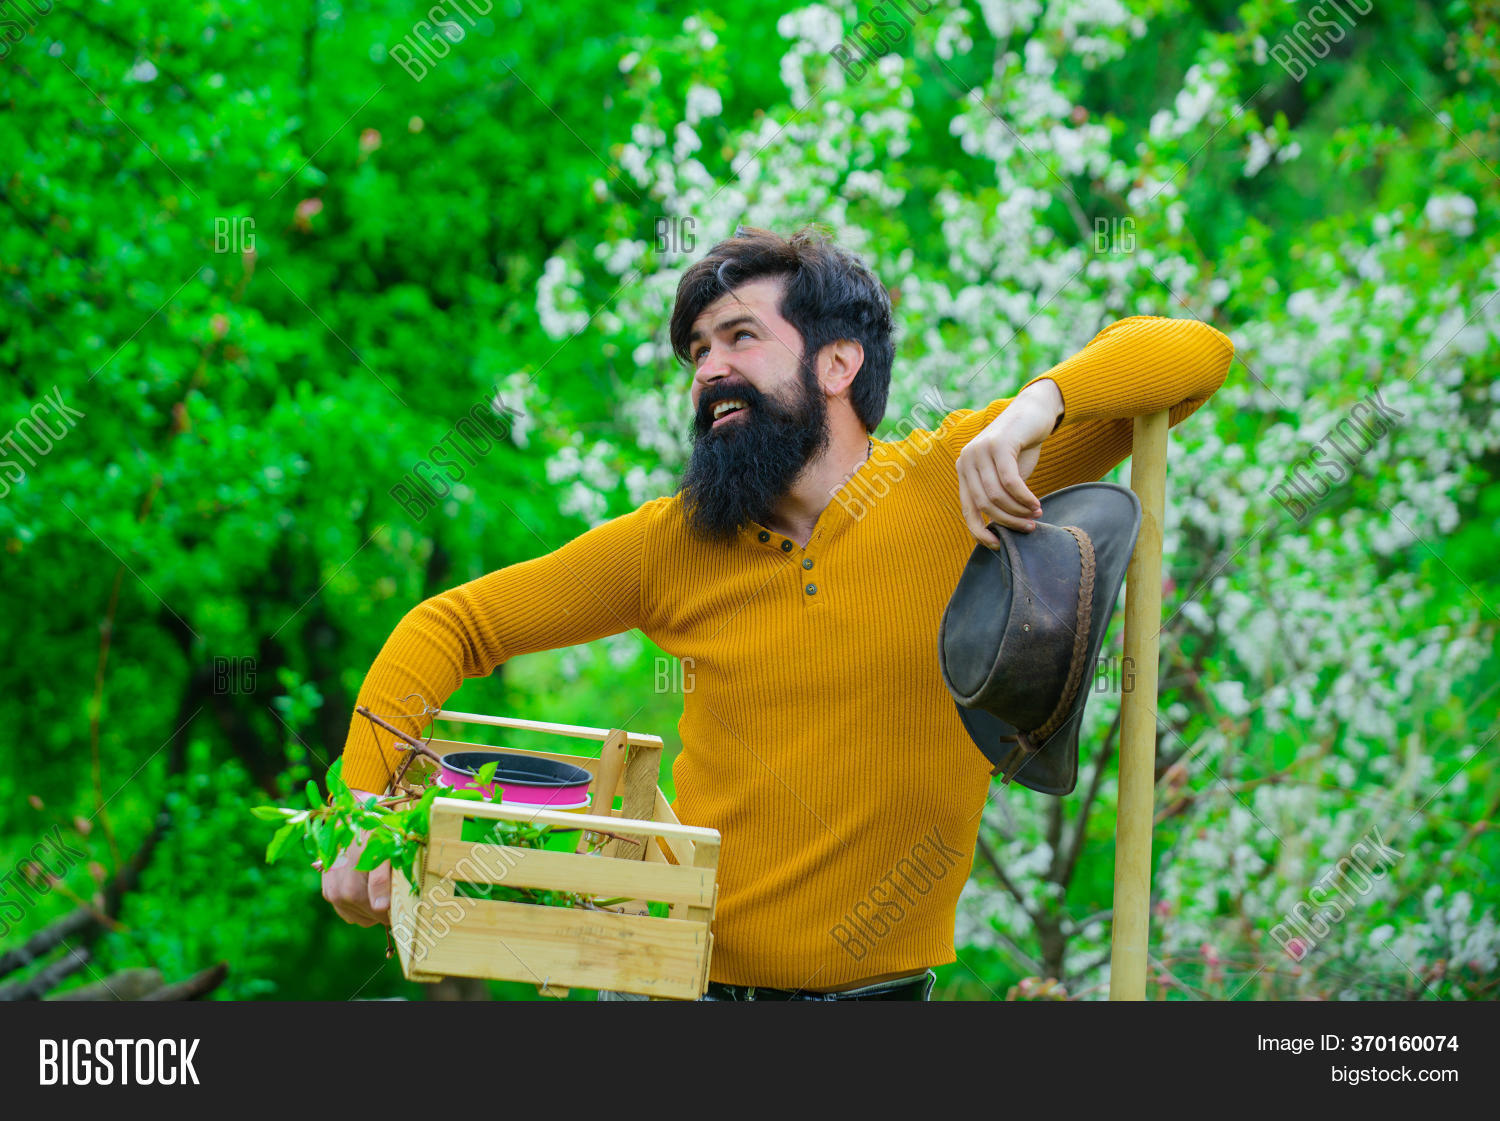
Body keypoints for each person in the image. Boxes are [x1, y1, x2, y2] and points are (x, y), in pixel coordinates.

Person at [321, 225, 1234, 1000]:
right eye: (696, 354)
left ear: (839, 362)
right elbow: (449, 626)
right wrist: (365, 804)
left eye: (738, 338)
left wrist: (1037, 408)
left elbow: (1193, 353)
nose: (708, 370)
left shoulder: (957, 481)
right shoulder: (671, 544)